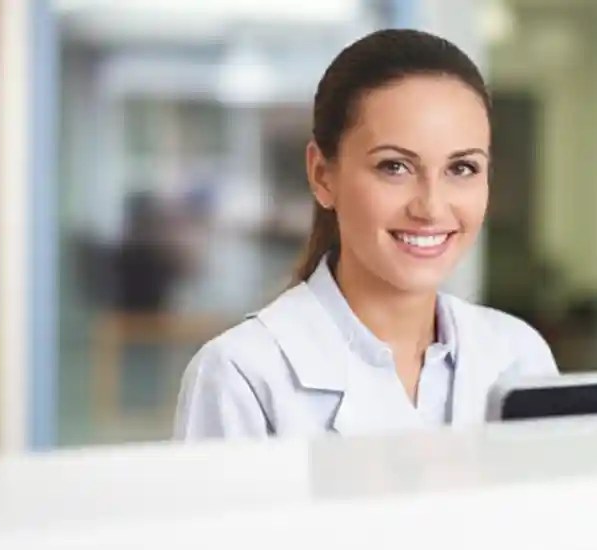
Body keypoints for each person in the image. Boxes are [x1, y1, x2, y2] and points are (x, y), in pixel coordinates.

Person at [174, 29, 557, 440]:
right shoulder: (241, 375)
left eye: (461, 168)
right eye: (394, 167)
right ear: (322, 175)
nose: (430, 207)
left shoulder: (519, 357)